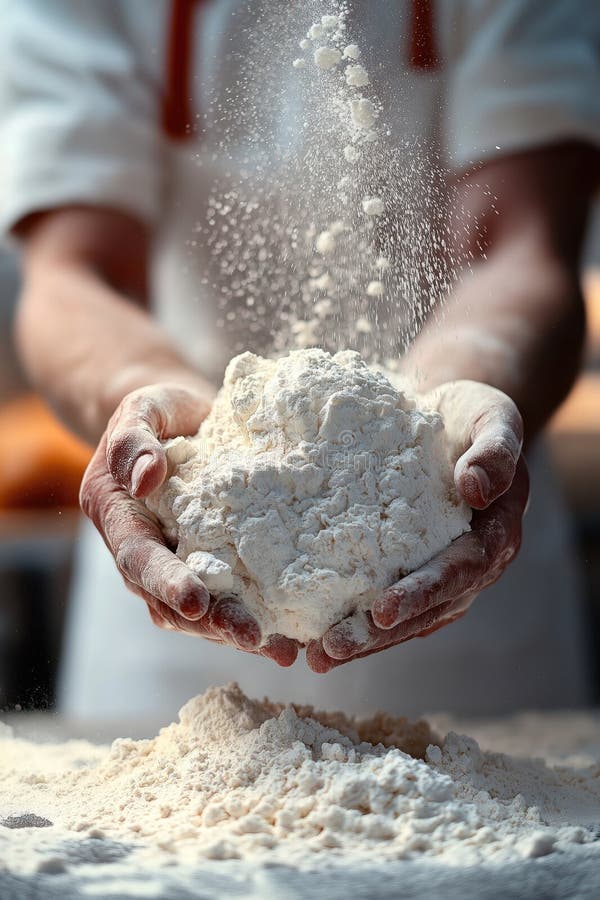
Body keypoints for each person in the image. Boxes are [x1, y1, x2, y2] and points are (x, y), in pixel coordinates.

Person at [1, 0, 598, 721]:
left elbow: (523, 249)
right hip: (177, 579)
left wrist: (456, 402)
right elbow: (73, 275)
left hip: (465, 597)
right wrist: (140, 395)